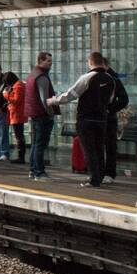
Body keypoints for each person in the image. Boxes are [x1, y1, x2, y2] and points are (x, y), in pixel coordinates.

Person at [50, 52, 117, 188]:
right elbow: (110, 99)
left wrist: (54, 100)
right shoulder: (111, 80)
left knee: (89, 150)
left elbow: (71, 95)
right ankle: (100, 176)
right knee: (99, 149)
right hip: (101, 119)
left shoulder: (87, 77)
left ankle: (93, 179)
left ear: (90, 62)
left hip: (86, 119)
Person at [25, 52, 57, 180]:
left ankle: (33, 170)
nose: (51, 63)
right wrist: (50, 113)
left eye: (51, 60)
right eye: (48, 61)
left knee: (35, 143)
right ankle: (39, 172)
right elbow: (45, 99)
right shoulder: (42, 76)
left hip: (34, 113)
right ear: (41, 61)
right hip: (42, 114)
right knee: (40, 144)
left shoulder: (32, 74)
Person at [102, 58, 130, 184]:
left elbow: (124, 99)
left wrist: (110, 109)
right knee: (101, 146)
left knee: (110, 146)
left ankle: (109, 173)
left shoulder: (113, 79)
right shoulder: (95, 77)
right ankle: (101, 172)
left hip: (108, 117)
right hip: (101, 116)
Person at [2, 71, 27, 164]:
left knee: (19, 136)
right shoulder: (19, 85)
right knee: (19, 136)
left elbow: (16, 100)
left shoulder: (18, 86)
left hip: (17, 114)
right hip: (17, 113)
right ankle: (20, 156)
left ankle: (21, 157)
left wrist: (6, 95)